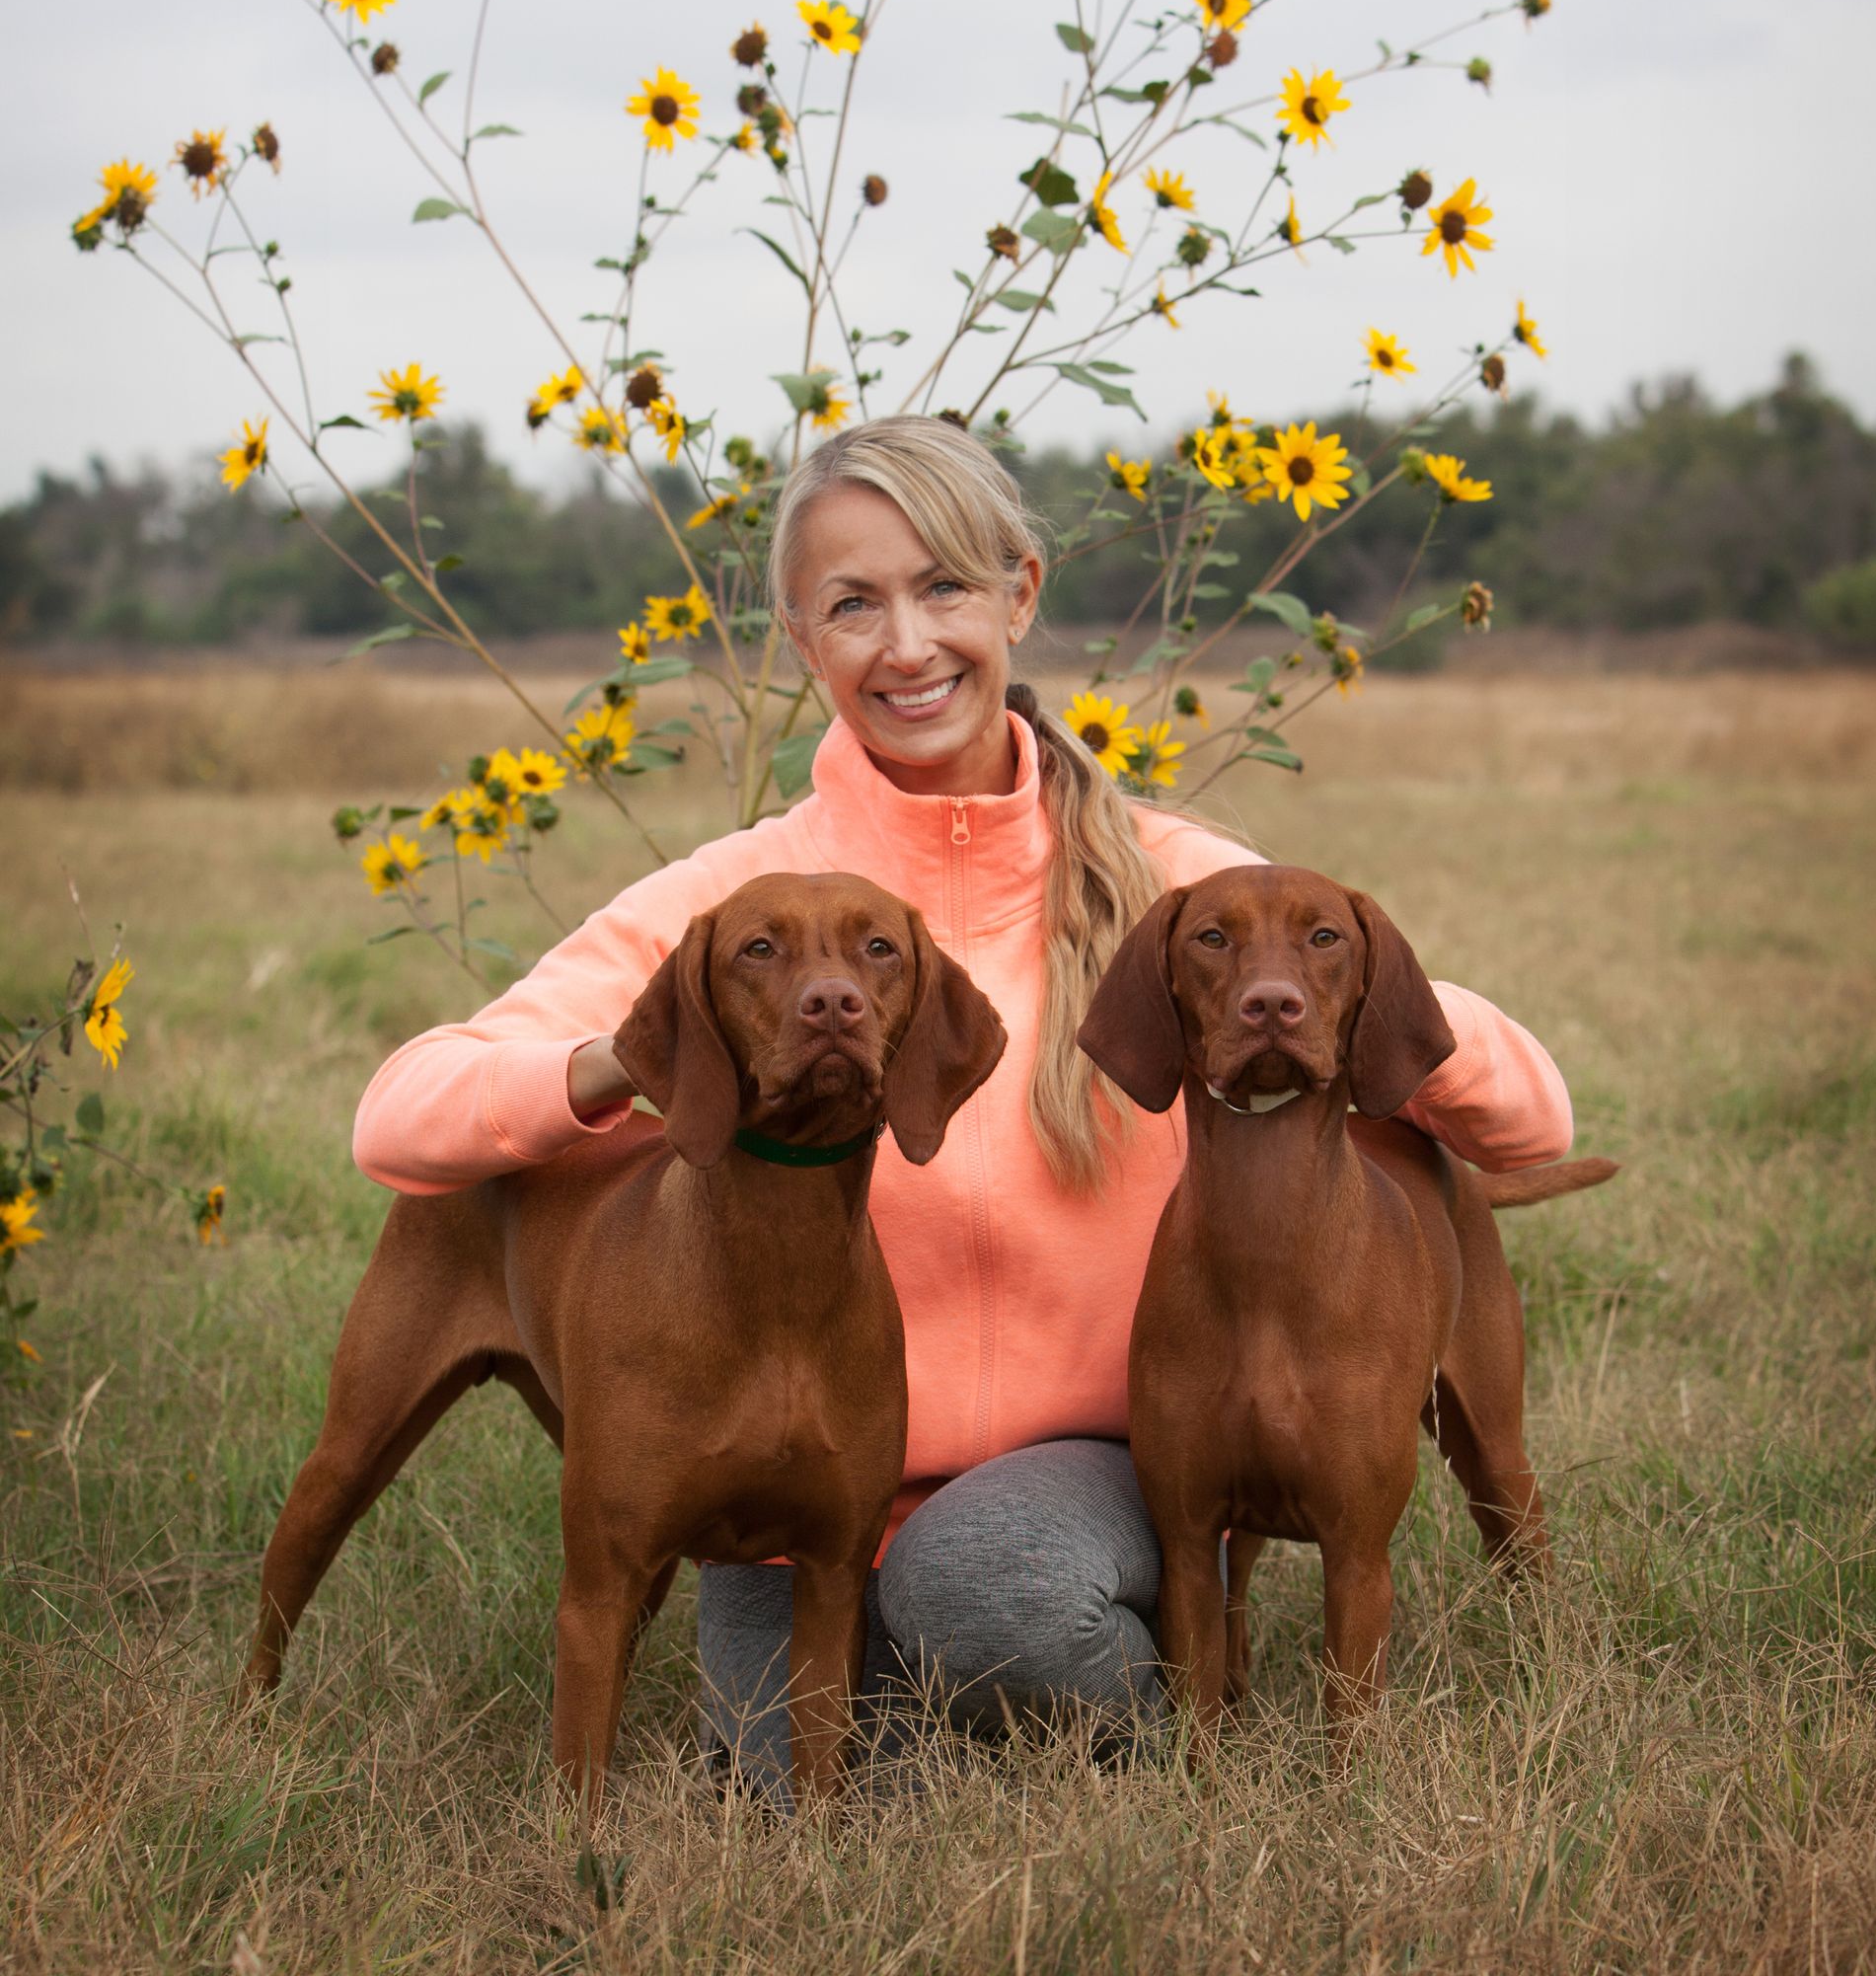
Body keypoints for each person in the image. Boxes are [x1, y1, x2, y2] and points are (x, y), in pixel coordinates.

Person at [352, 416, 1573, 1782]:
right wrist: (634, 1061)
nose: (909, 645)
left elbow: (1535, 1119)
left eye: (944, 588)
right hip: (800, 1460)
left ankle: (1142, 1715)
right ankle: (957, 1739)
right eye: (854, 606)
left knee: (989, 1600)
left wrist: (1345, 1009)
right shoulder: (743, 909)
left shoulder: (1174, 886)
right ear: (803, 643)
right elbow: (403, 1114)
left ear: (1020, 597)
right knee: (772, 1761)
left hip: (1099, 1461)